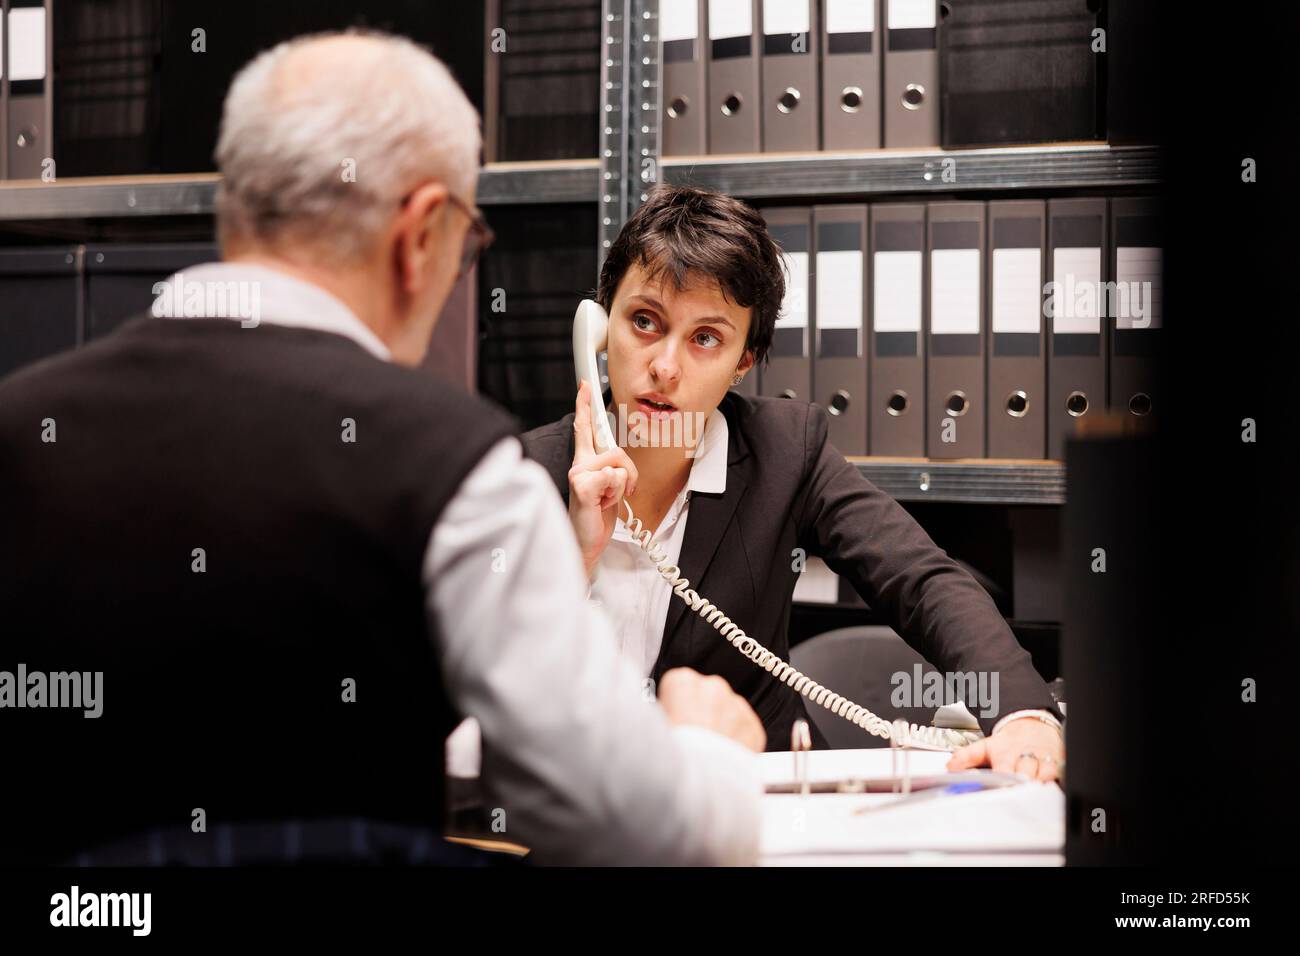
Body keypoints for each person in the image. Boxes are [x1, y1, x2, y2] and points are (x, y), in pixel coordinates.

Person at [0, 32, 765, 867]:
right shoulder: (457, 468)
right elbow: (634, 829)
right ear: (422, 232)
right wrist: (710, 751)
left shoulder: (19, 425)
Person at [522, 184, 1065, 781]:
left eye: (707, 338)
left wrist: (1023, 714)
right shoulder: (528, 473)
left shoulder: (785, 451)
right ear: (599, 326)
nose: (666, 366)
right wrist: (576, 557)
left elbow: (920, 579)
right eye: (645, 321)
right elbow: (482, 685)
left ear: (744, 361)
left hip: (763, 807)